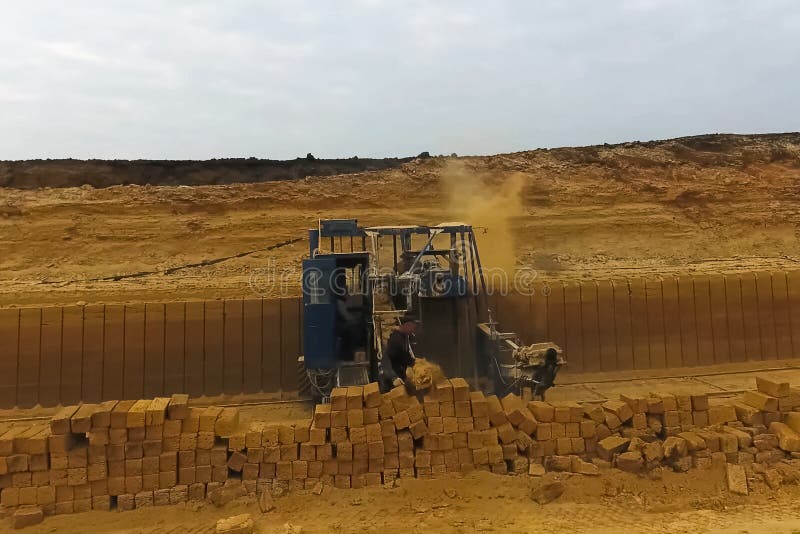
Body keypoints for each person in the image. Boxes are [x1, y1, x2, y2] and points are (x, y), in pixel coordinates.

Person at [380, 316, 418, 391]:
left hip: (401, 377)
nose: (413, 331)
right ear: (407, 325)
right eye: (413, 328)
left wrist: (418, 364)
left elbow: (404, 357)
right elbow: (385, 360)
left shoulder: (405, 337)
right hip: (392, 383)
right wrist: (393, 378)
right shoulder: (396, 339)